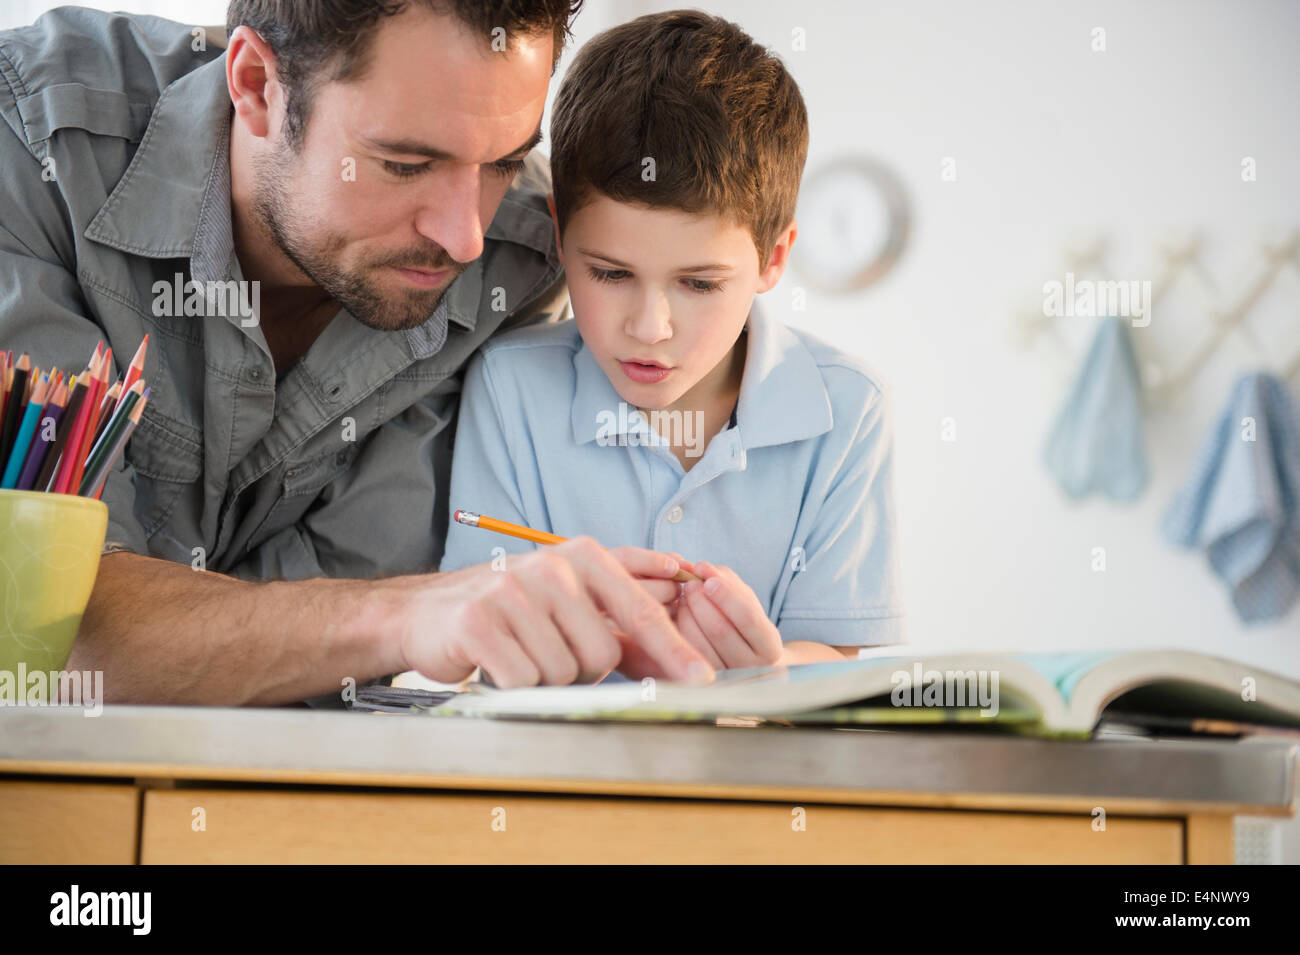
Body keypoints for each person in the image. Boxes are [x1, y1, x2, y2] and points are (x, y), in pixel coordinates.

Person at [0, 1, 716, 705]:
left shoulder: (521, 260)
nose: (464, 237)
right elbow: (43, 638)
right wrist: (407, 614)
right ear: (255, 85)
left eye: (503, 161)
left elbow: (322, 660)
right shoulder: (29, 147)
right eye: (406, 164)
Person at [440, 10, 906, 679]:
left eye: (698, 283)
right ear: (558, 235)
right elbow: (475, 636)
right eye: (610, 273)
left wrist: (763, 678)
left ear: (774, 260)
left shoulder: (849, 409)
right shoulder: (509, 386)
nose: (650, 327)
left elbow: (831, 657)